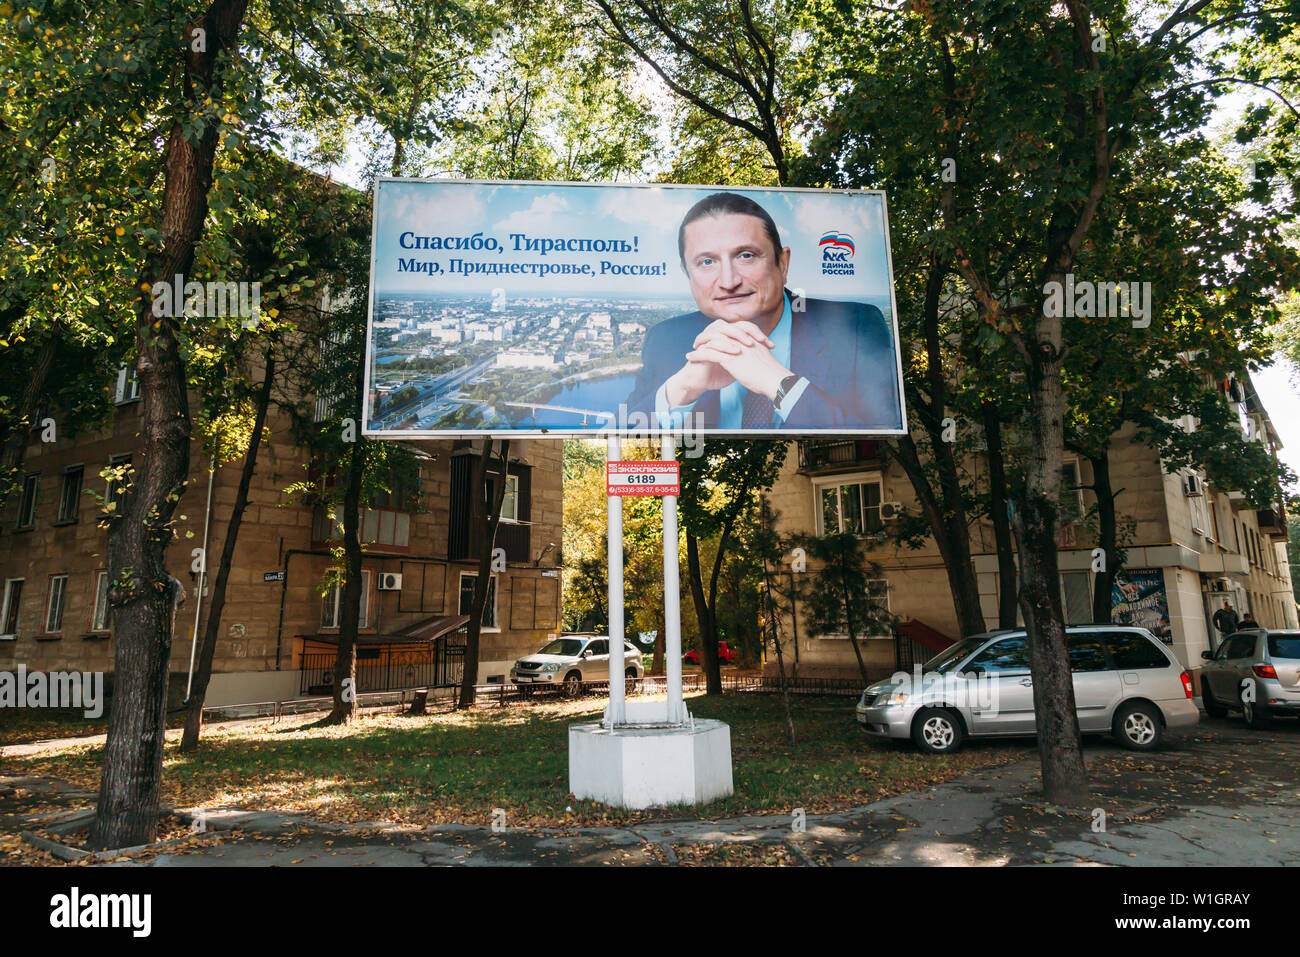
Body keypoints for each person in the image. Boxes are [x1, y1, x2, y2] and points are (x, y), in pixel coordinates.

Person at [625, 191, 902, 430]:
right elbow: (619, 436)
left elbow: (887, 437)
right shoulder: (665, 339)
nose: (728, 281)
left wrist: (780, 385)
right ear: (688, 275)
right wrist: (682, 390)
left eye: (746, 255)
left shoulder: (855, 329)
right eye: (707, 261)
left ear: (782, 263)